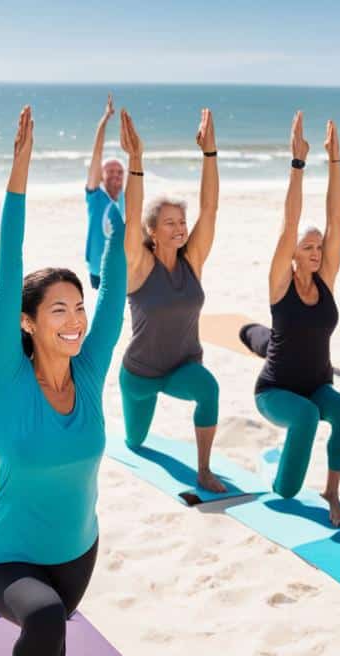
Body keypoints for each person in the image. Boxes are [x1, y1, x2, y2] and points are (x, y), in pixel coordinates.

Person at [0, 105, 127, 656]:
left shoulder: (90, 370)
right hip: (5, 558)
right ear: (29, 323)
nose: (75, 318)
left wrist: (127, 192)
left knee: (56, 641)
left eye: (77, 306)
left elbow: (119, 281)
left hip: (78, 551)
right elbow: (8, 268)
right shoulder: (7, 377)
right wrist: (19, 172)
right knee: (43, 621)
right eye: (57, 309)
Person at [240, 113, 340, 526]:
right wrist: (299, 164)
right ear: (293, 252)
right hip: (276, 391)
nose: (315, 251)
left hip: (317, 386)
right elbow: (289, 224)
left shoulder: (325, 280)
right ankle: (282, 479)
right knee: (304, 420)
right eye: (308, 246)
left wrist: (336, 160)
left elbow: (337, 219)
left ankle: (332, 490)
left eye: (318, 246)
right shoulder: (280, 283)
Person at [118, 108, 225, 492]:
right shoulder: (140, 265)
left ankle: (204, 470)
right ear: (152, 230)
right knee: (135, 441)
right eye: (171, 223)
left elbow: (210, 209)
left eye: (182, 223)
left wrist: (209, 154)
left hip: (182, 367)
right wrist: (136, 160)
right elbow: (130, 219)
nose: (180, 229)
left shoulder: (191, 261)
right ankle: (134, 431)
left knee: (209, 390)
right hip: (140, 376)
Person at [84, 94, 125, 290]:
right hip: (98, 271)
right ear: (101, 175)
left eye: (120, 171)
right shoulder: (96, 197)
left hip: (120, 267)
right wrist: (105, 119)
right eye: (111, 171)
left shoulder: (126, 198)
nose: (116, 175)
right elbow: (97, 154)